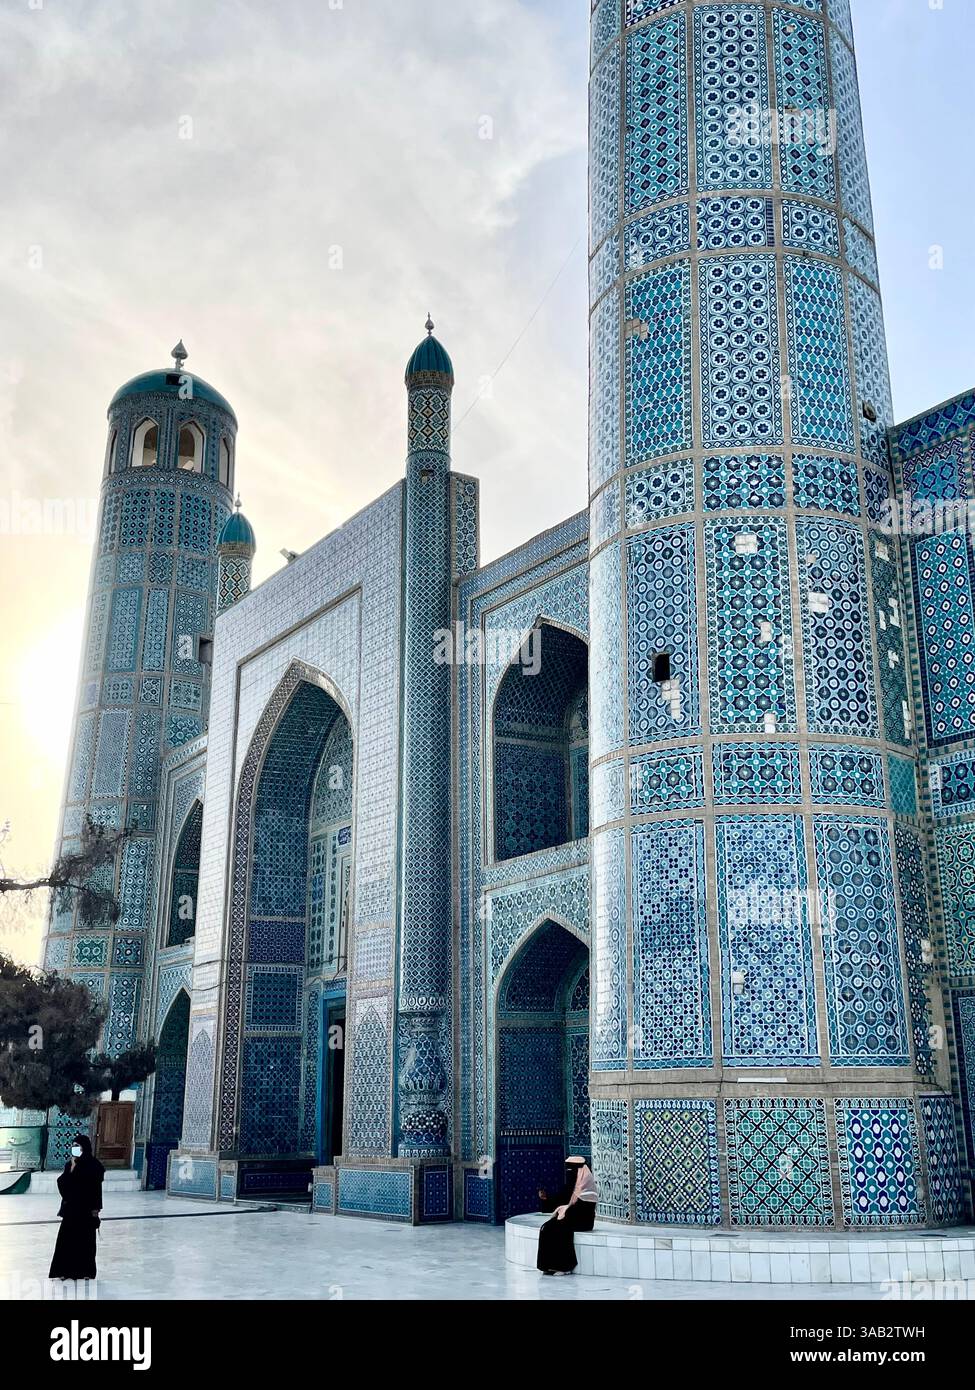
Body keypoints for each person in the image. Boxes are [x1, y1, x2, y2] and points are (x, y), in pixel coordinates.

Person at [49, 1134, 104, 1281]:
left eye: (78, 1146)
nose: (75, 1149)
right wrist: (72, 1168)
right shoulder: (70, 1165)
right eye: (73, 1146)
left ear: (84, 1147)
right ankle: (64, 1271)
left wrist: (96, 1209)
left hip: (86, 1209)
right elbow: (63, 1184)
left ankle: (85, 1271)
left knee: (86, 1242)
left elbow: (96, 1190)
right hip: (72, 1209)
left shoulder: (95, 1166)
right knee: (67, 1240)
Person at [536, 1155, 598, 1275]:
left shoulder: (588, 1189)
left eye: (572, 1170)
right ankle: (548, 1266)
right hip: (571, 1218)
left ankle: (564, 1267)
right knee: (547, 1228)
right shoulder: (572, 1187)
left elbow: (582, 1211)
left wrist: (565, 1212)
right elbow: (561, 1199)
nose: (570, 1173)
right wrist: (546, 1199)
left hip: (583, 1221)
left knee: (559, 1229)